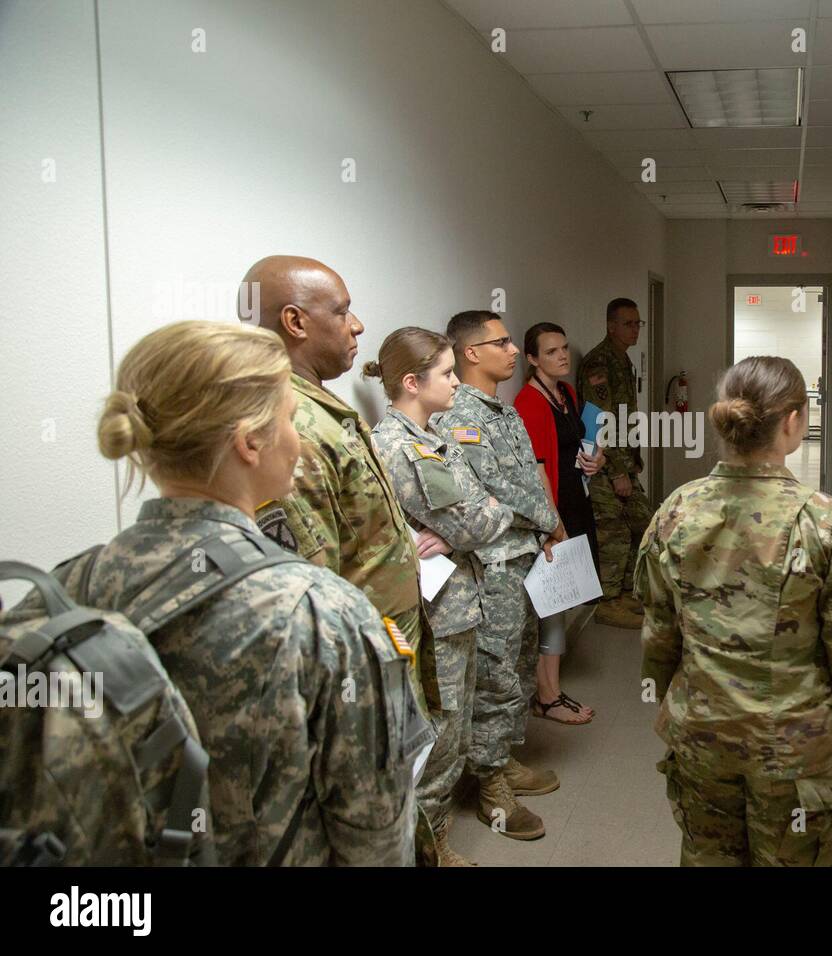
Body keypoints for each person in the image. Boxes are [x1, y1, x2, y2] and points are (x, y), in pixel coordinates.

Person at [32, 320, 427, 865]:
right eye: (290, 420)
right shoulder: (321, 613)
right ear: (249, 443)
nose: (297, 439)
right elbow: (375, 833)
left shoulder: (64, 589)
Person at [635, 356, 832, 867]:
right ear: (794, 423)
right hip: (798, 752)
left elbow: (659, 637)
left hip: (703, 739)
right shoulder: (824, 524)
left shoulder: (675, 510)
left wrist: (680, 706)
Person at [245, 256, 444, 722]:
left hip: (383, 647)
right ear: (295, 321)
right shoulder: (295, 426)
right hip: (355, 674)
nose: (357, 326)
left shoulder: (319, 405)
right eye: (341, 312)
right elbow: (311, 593)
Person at [366, 327, 515, 865]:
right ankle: (430, 850)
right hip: (437, 617)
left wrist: (462, 527)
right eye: (447, 374)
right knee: (441, 736)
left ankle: (431, 840)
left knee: (452, 725)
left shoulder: (429, 436)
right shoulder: (405, 448)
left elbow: (476, 515)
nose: (456, 383)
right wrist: (472, 524)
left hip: (451, 603)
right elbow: (483, 516)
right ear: (411, 382)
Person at [437, 310, 565, 840]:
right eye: (503, 342)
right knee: (493, 670)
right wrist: (548, 516)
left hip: (522, 554)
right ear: (471, 352)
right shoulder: (459, 415)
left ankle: (502, 756)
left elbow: (527, 471)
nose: (514, 350)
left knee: (515, 659)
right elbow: (495, 486)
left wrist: (549, 522)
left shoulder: (501, 409)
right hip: (493, 561)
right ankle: (488, 782)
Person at [514, 321, 602, 725]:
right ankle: (546, 694)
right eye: (551, 352)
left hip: (574, 500)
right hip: (552, 511)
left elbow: (580, 443)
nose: (563, 356)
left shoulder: (566, 392)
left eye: (564, 348)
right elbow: (537, 468)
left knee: (564, 598)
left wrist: (595, 459)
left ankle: (550, 688)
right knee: (550, 601)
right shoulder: (528, 403)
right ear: (532, 359)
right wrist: (553, 525)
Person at [577, 297, 653, 629]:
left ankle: (625, 593)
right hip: (603, 464)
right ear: (611, 326)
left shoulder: (622, 360)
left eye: (638, 323)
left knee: (643, 525)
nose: (635, 329)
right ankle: (607, 602)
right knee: (614, 532)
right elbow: (600, 422)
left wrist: (632, 460)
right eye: (628, 323)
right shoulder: (599, 364)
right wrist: (618, 470)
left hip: (622, 460)